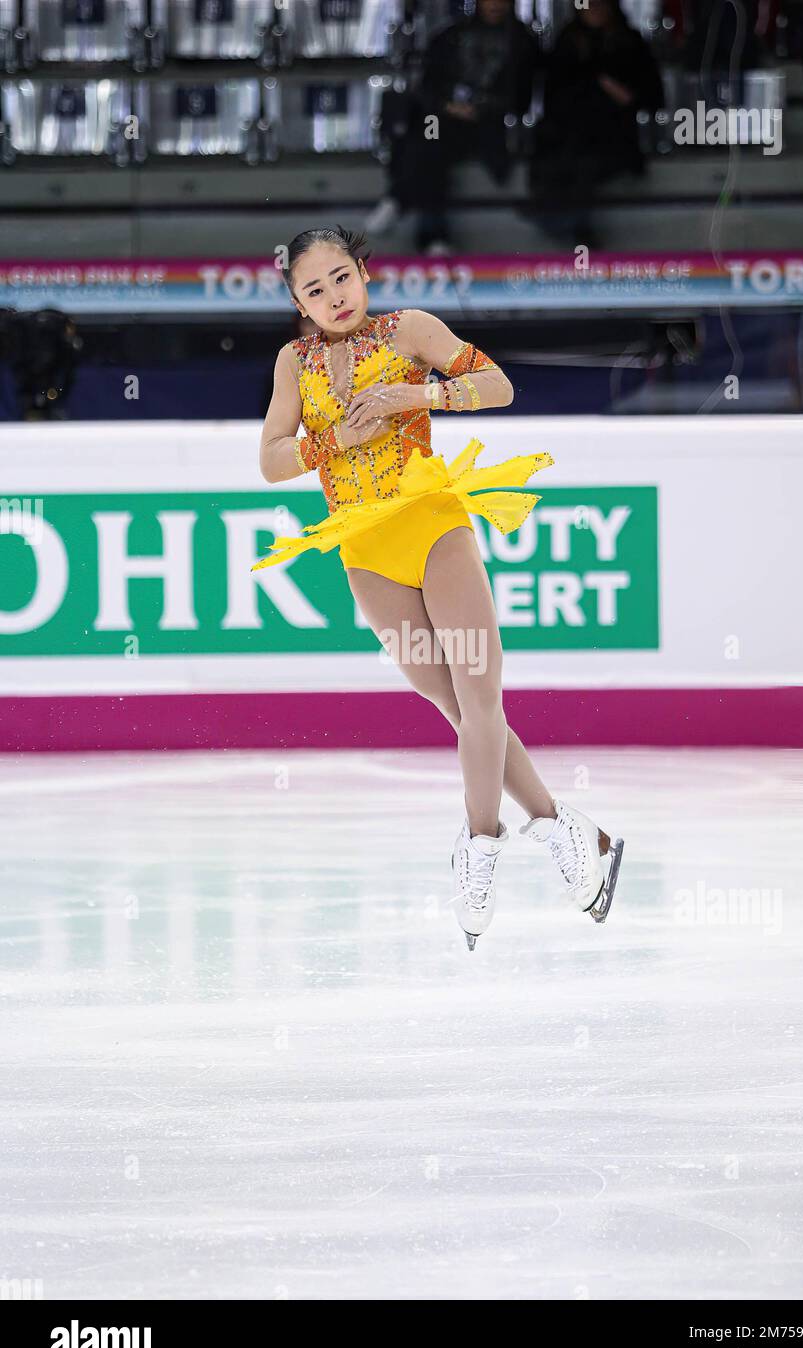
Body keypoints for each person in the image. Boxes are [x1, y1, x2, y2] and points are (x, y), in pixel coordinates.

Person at [254, 225, 624, 948]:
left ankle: (480, 845)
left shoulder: (409, 329)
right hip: (364, 550)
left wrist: (410, 395)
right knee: (460, 710)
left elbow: (497, 384)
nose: (333, 296)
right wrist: (334, 443)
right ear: (296, 300)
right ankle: (570, 833)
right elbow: (271, 459)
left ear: (363, 271)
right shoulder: (293, 363)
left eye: (341, 277)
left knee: (481, 696)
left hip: (434, 528)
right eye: (314, 288)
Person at [368, 0, 542, 253]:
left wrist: (481, 109)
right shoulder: (451, 37)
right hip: (444, 119)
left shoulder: (523, 43)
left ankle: (401, 200)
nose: (495, 4)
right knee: (428, 141)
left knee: (426, 143)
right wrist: (448, 106)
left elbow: (521, 100)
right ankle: (432, 236)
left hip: (490, 127)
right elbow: (427, 87)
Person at [529, 0, 664, 246]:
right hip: (569, 132)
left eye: (600, 4)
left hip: (615, 134)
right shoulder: (568, 40)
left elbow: (653, 97)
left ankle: (574, 226)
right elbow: (552, 95)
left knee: (583, 155)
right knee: (562, 150)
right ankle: (568, 223)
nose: (595, 10)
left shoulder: (629, 42)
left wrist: (621, 93)